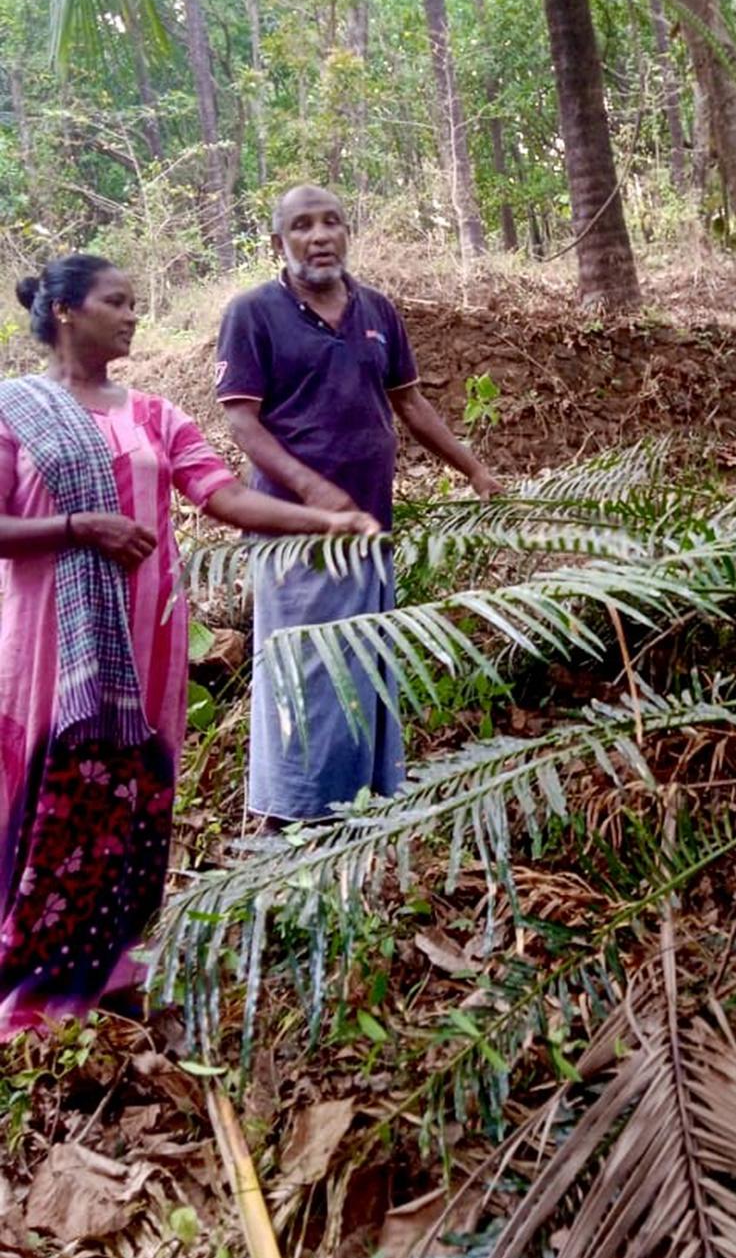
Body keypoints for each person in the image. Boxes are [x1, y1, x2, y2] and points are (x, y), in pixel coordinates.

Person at [0, 255, 377, 1038]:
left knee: (134, 800)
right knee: (42, 800)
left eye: (136, 301)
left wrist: (325, 517)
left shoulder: (156, 416)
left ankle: (113, 970)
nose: (133, 315)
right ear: (67, 312)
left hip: (150, 644)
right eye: (117, 301)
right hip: (46, 651)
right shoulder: (13, 411)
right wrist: (78, 528)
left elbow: (225, 496)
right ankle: (31, 984)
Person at [216, 184, 500, 826]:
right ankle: (289, 815)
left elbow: (410, 403)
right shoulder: (253, 313)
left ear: (347, 232)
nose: (319, 237)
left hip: (370, 527)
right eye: (301, 227)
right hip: (295, 536)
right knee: (304, 672)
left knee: (362, 664)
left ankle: (355, 804)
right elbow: (242, 423)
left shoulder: (377, 310)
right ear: (277, 243)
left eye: (331, 223)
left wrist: (475, 470)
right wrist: (312, 488)